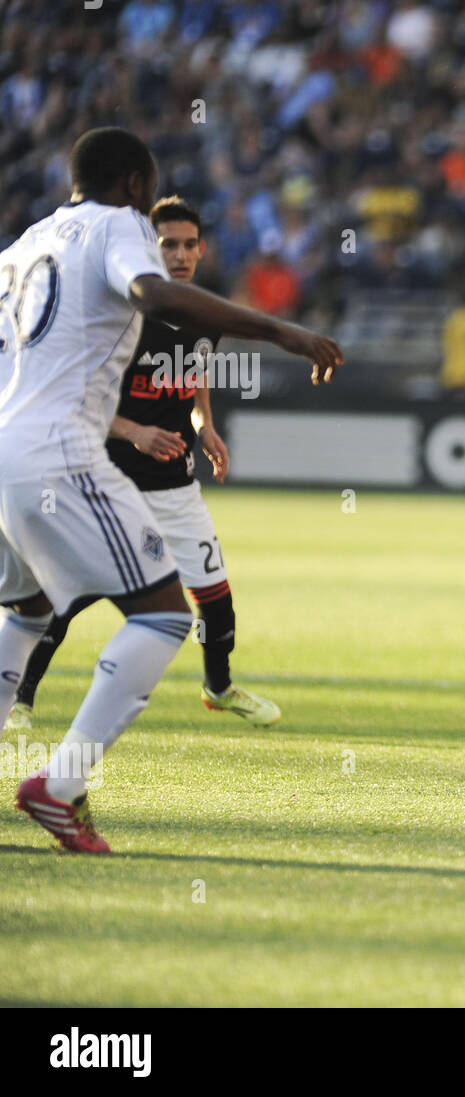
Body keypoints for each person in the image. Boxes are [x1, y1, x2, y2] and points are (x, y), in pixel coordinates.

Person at [0, 127, 341, 853]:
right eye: (147, 187)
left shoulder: (31, 240)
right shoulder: (120, 227)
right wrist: (282, 331)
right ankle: (60, 784)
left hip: (7, 445)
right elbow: (153, 292)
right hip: (62, 449)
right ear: (132, 184)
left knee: (26, 608)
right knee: (160, 616)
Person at [4, 194, 281, 736]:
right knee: (67, 598)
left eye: (188, 245)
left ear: (201, 250)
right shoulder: (119, 315)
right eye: (167, 244)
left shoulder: (203, 315)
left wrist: (205, 427)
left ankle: (218, 689)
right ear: (148, 248)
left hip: (176, 487)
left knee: (217, 603)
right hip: (112, 481)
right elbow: (72, 398)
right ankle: (22, 700)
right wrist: (134, 432)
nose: (179, 255)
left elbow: (195, 375)